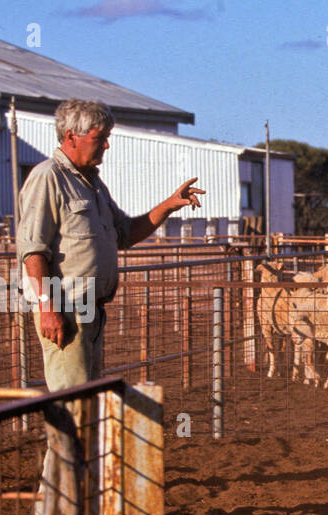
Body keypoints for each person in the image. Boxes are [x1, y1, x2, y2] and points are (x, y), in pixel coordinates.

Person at [16, 99, 203, 392]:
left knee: (87, 401)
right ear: (71, 138)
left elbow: (125, 233)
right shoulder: (48, 177)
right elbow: (33, 250)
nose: (106, 146)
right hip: (65, 310)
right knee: (71, 403)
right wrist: (48, 307)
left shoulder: (92, 185)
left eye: (106, 138)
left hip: (90, 310)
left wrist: (168, 205)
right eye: (99, 138)